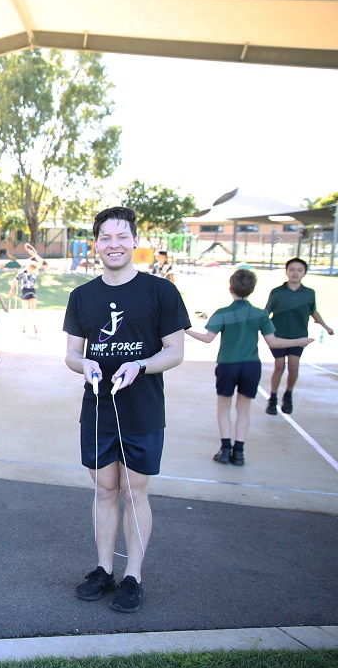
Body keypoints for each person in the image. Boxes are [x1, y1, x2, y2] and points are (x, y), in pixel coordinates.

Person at [63, 206, 189, 614]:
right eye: (105, 237)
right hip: (98, 408)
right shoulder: (82, 296)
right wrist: (86, 364)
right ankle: (103, 569)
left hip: (143, 409)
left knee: (135, 493)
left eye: (121, 236)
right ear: (95, 244)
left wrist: (140, 365)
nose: (113, 244)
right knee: (103, 490)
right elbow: (71, 354)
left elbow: (175, 351)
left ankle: (133, 574)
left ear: (135, 240)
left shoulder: (160, 291)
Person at [186, 269, 312, 466]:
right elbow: (273, 342)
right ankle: (240, 452)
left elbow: (207, 338)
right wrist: (298, 341)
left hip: (228, 365)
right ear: (252, 289)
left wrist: (185, 328)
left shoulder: (222, 313)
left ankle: (225, 449)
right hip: (251, 366)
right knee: (244, 408)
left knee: (224, 405)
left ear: (230, 288)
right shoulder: (260, 314)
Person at [265, 258, 334, 415]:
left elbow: (313, 311)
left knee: (294, 366)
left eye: (299, 270)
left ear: (304, 273)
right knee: (279, 365)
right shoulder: (277, 293)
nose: (295, 273)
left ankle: (288, 395)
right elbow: (266, 312)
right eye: (292, 269)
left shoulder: (309, 293)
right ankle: (273, 397)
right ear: (286, 271)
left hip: (298, 335)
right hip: (279, 335)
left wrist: (326, 326)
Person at [9, 243, 47, 336]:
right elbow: (15, 280)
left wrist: (34, 255)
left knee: (33, 309)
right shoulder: (23, 272)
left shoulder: (34, 272)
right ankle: (23, 326)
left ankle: (34, 325)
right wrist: (12, 291)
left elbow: (40, 261)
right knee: (24, 309)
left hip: (32, 291)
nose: (33, 270)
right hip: (25, 291)